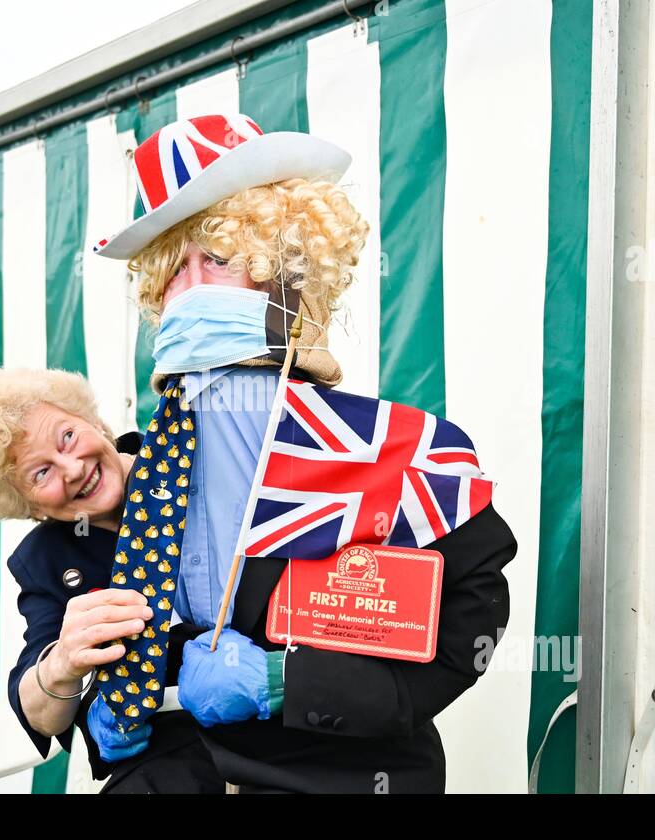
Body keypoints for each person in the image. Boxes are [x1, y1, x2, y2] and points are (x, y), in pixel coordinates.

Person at [85, 113, 519, 792]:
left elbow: (470, 620)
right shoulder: (145, 469)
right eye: (174, 268)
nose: (193, 287)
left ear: (285, 271)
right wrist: (111, 695)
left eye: (220, 259)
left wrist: (287, 681)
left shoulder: (399, 450)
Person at [0, 365, 228, 792]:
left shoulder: (191, 459)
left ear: (96, 422)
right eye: (40, 473)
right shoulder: (45, 560)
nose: (72, 468)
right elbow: (38, 711)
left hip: (276, 721)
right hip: (165, 755)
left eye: (67, 436)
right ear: (29, 507)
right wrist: (63, 661)